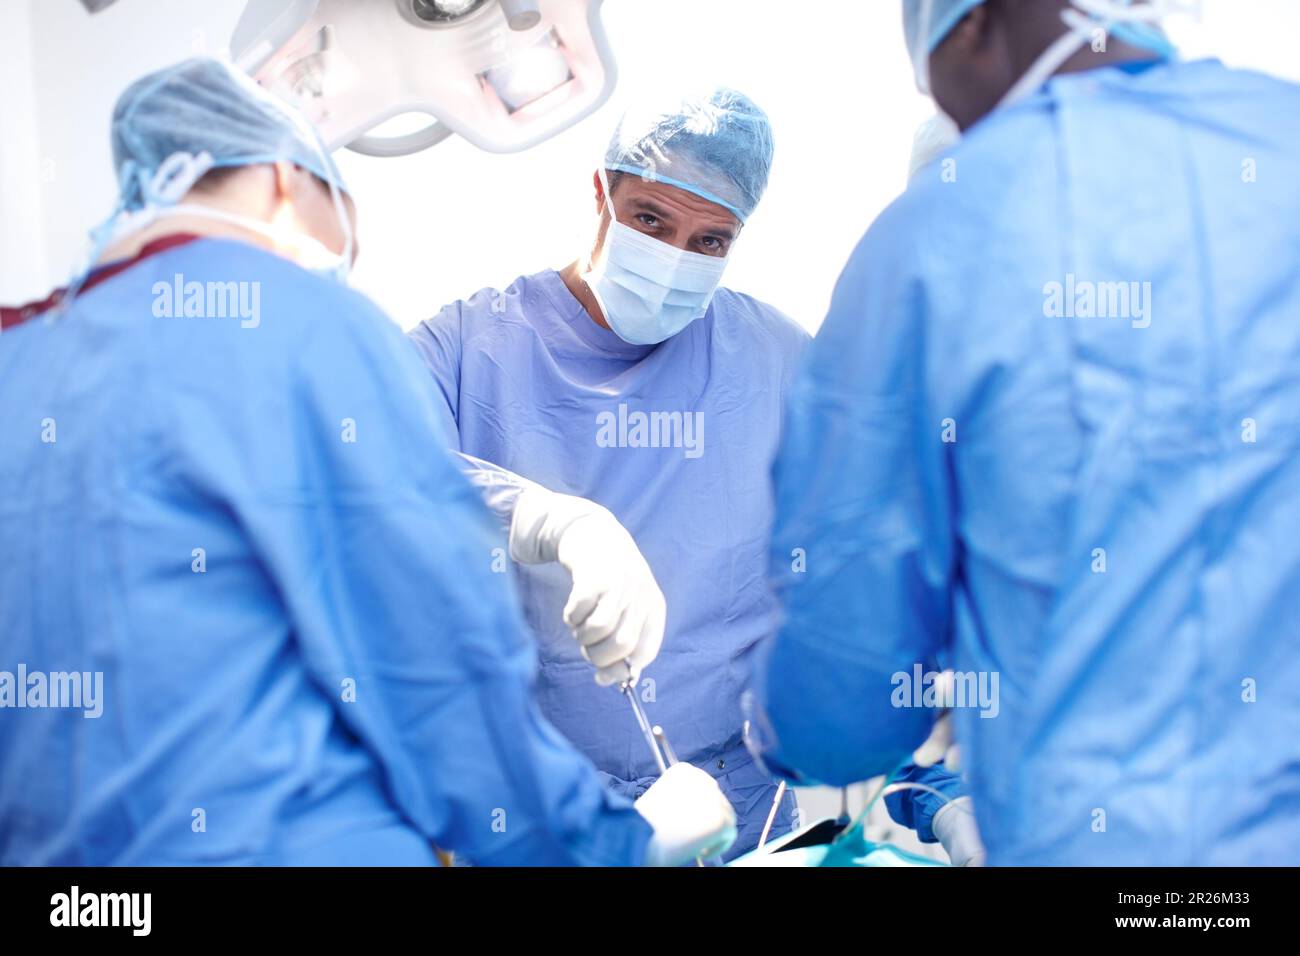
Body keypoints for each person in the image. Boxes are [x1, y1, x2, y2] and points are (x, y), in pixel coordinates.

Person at [0, 56, 737, 867]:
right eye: (336, 210)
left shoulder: (21, 353)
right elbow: (439, 678)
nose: (342, 251)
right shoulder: (304, 325)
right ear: (285, 181)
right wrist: (618, 843)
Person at [748, 0, 1300, 865]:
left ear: (968, 25)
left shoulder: (933, 241)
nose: (954, 121)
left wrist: (778, 726)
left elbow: (841, 706)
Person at [409, 88, 812, 858]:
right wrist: (547, 519)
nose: (673, 261)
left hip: (739, 808)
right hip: (541, 806)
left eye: (709, 242)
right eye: (652, 221)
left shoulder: (780, 362)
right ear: (600, 193)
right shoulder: (472, 343)